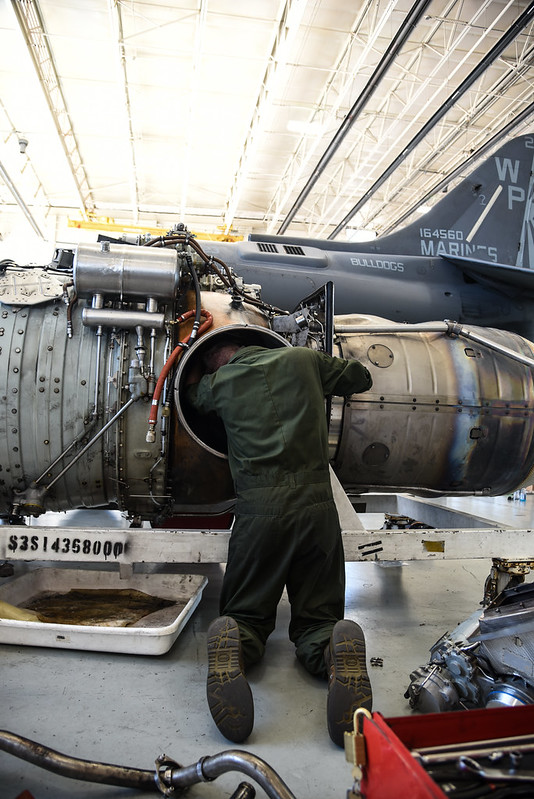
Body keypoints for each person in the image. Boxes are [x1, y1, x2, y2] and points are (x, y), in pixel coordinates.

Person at [185, 336, 373, 747]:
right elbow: (361, 378)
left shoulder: (220, 384)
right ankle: (330, 646)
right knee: (319, 615)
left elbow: (190, 396)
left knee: (246, 614)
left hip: (259, 511)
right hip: (316, 507)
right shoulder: (302, 360)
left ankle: (235, 641)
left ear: (221, 361)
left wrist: (196, 366)